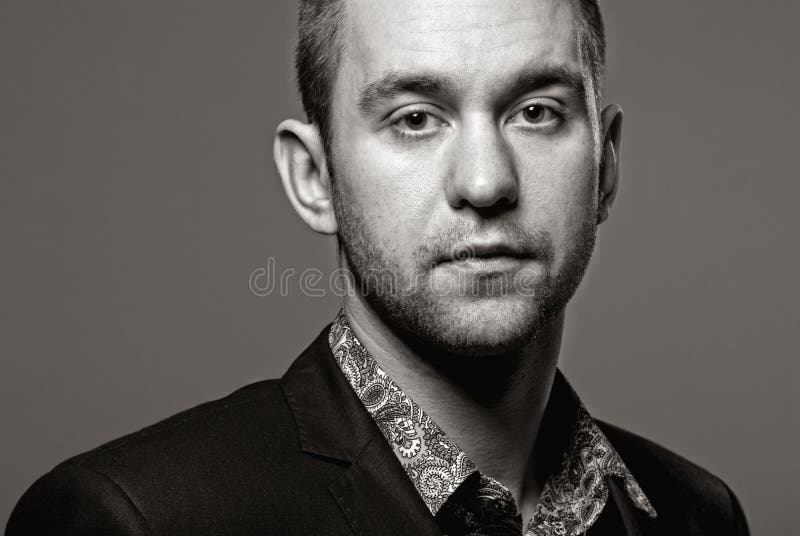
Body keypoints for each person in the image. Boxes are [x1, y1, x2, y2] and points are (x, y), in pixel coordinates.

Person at [6, 1, 749, 534]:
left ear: (606, 166)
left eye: (536, 111)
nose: (486, 183)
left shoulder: (697, 512)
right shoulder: (133, 518)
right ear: (315, 178)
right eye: (416, 118)